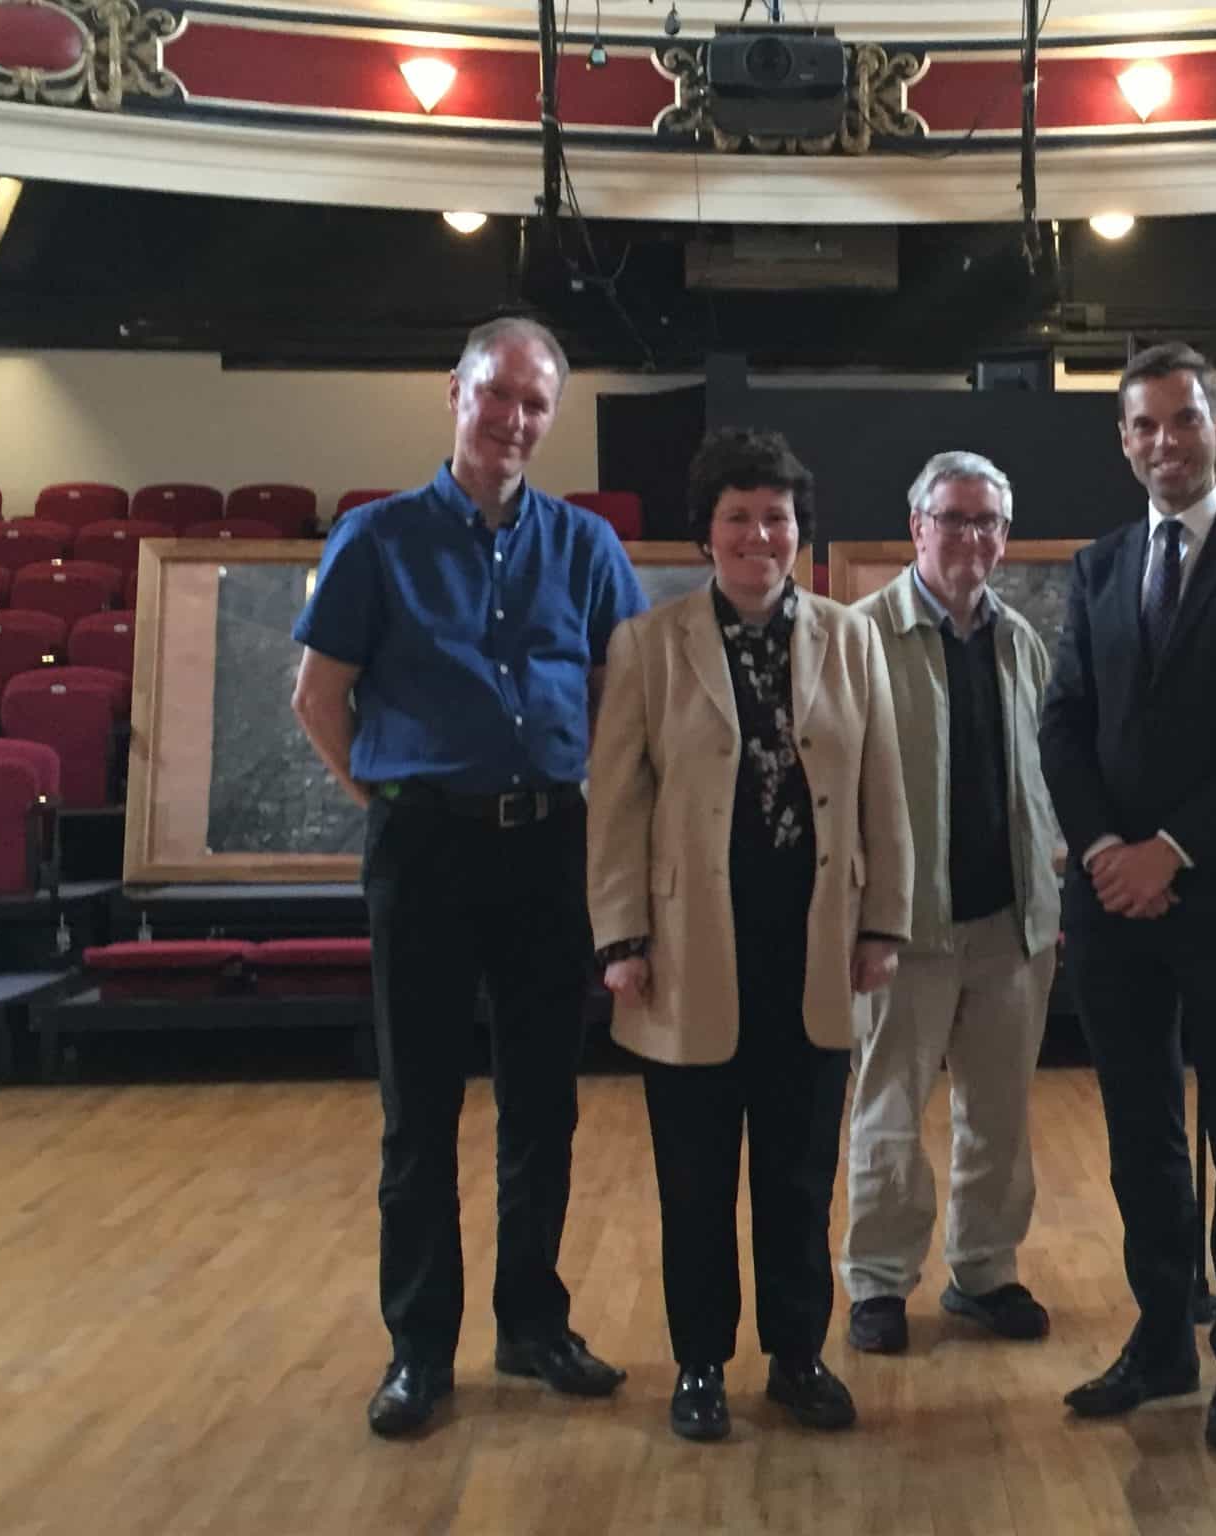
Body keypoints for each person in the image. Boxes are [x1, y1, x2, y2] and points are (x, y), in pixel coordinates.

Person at [290, 316, 648, 1439]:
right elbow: (317, 696)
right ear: (456, 391)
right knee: (419, 1114)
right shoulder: (375, 538)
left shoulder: (587, 549)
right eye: (497, 395)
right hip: (424, 849)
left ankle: (533, 1324)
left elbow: (614, 700)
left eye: (535, 405)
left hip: (548, 846)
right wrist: (389, 801)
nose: (513, 420)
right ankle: (418, 1348)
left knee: (543, 1105)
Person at [586, 427, 914, 1444]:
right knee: (692, 1182)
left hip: (814, 952)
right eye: (737, 516)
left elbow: (882, 791)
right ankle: (697, 1366)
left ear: (796, 530)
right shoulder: (649, 642)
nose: (757, 534)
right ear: (705, 532)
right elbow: (616, 803)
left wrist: (883, 922)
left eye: (774, 515)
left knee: (798, 1176)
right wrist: (620, 937)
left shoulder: (848, 636)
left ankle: (798, 1357)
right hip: (686, 958)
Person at [1039, 341, 1216, 1452]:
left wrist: (1169, 848)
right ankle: (1162, 1337)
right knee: (1139, 1132)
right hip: (1111, 902)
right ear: (1122, 443)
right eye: (1142, 426)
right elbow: (1063, 722)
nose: (1163, 442)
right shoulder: (1099, 564)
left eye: (1182, 420)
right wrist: (1106, 847)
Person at [841, 451, 1063, 1356]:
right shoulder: (859, 637)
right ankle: (881, 1282)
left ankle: (985, 1272)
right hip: (903, 931)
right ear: (916, 528)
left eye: (988, 522)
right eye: (953, 518)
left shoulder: (1023, 642)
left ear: (1003, 539)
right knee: (890, 1112)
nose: (971, 536)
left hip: (1011, 926)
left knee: (999, 1115)